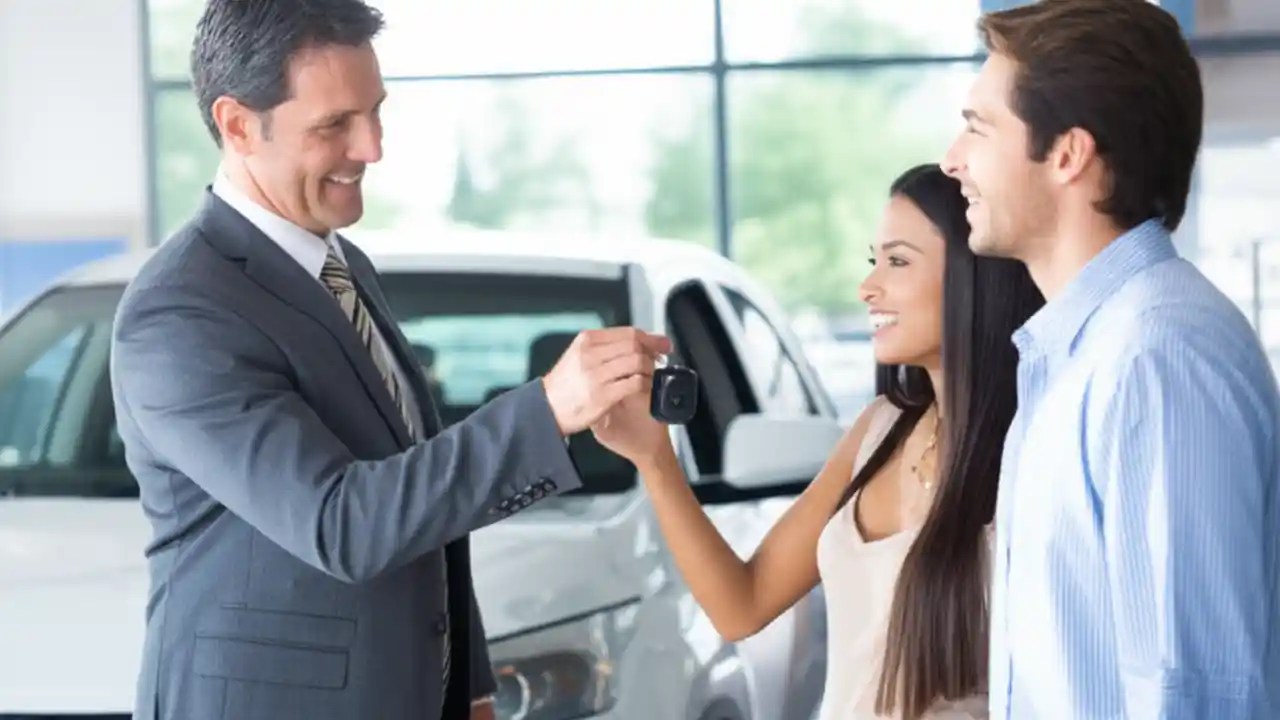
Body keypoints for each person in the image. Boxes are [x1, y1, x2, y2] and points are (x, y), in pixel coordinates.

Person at [109, 2, 668, 719]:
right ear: (238, 123)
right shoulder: (181, 310)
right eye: (334, 125)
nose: (371, 147)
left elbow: (417, 492)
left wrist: (465, 684)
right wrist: (549, 409)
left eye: (375, 112)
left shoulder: (343, 268)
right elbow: (341, 522)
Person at [593, 164, 1043, 719]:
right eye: (873, 261)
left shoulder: (1035, 449)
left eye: (897, 262)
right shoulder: (878, 430)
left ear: (977, 279)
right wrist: (655, 458)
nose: (868, 287)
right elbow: (743, 604)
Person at [941, 1, 1280, 718]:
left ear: (1068, 153)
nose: (952, 160)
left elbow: (1194, 691)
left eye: (977, 127)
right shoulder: (1078, 354)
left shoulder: (1158, 356)